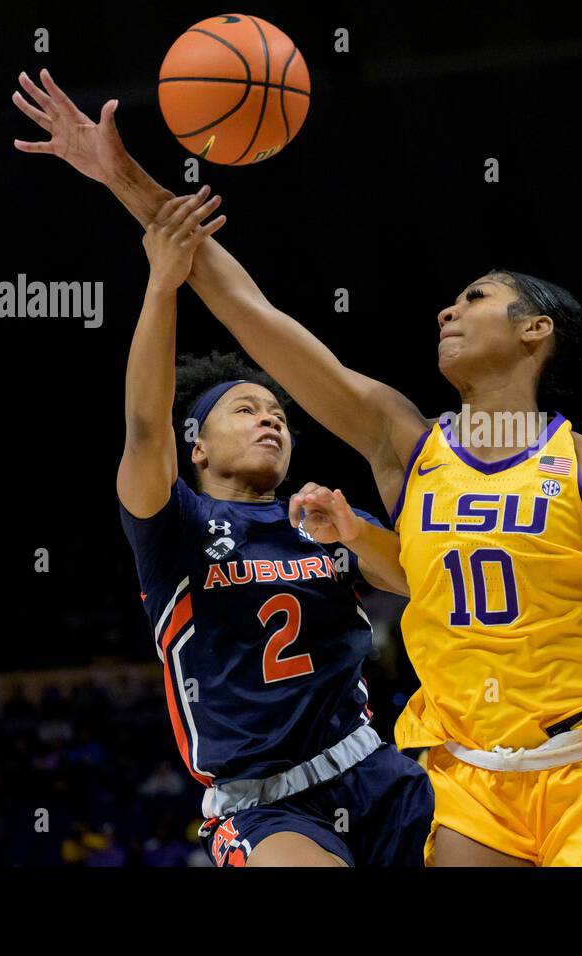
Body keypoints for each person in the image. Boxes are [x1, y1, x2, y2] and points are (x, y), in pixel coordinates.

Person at [13, 69, 582, 866]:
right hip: (470, 780)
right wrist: (120, 177)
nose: (447, 310)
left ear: (536, 329)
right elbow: (248, 310)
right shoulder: (405, 441)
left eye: (474, 297)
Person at [116, 189, 432, 867]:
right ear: (196, 444)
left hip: (376, 770)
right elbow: (145, 428)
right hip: (265, 804)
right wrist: (162, 285)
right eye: (246, 409)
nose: (272, 419)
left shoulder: (319, 514)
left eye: (279, 415)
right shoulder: (175, 526)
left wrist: (354, 535)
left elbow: (424, 579)